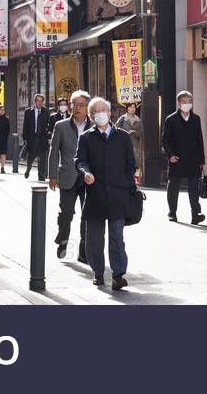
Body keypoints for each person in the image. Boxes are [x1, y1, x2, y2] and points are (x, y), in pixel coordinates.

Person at [75, 95, 136, 290]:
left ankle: (118, 274)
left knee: (117, 236)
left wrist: (127, 184)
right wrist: (86, 173)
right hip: (95, 193)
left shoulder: (123, 137)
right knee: (94, 237)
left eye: (104, 110)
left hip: (118, 194)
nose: (101, 114)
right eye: (97, 111)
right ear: (91, 116)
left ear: (110, 113)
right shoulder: (86, 138)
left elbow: (130, 164)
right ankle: (98, 272)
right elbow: (80, 160)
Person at [48, 90, 92, 263]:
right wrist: (52, 175)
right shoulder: (61, 125)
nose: (77, 108)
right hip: (67, 175)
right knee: (66, 214)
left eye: (81, 105)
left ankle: (84, 250)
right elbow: (53, 152)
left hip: (89, 177)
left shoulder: (94, 125)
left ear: (87, 107)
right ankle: (63, 242)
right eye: (74, 104)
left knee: (87, 215)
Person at [162, 90, 205, 224]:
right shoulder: (171, 119)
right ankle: (172, 212)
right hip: (177, 158)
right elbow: (165, 139)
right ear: (178, 103)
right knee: (173, 186)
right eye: (184, 102)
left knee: (194, 187)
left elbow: (199, 139)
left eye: (189, 102)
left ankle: (195, 214)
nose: (187, 104)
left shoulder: (195, 119)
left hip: (193, 158)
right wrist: (170, 155)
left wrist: (201, 159)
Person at [22, 94, 50, 180]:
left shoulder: (46, 112)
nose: (40, 103)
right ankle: (28, 169)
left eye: (41, 101)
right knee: (31, 157)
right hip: (32, 137)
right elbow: (25, 125)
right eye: (38, 101)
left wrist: (48, 137)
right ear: (35, 101)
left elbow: (48, 125)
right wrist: (25, 137)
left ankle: (41, 176)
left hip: (42, 138)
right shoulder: (28, 112)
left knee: (42, 158)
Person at [116, 102, 144, 174]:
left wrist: (134, 132)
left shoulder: (138, 120)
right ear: (127, 108)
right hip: (123, 144)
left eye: (134, 107)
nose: (132, 109)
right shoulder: (122, 118)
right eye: (130, 107)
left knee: (133, 165)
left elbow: (142, 133)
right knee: (123, 163)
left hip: (135, 146)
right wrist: (124, 133)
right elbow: (115, 130)